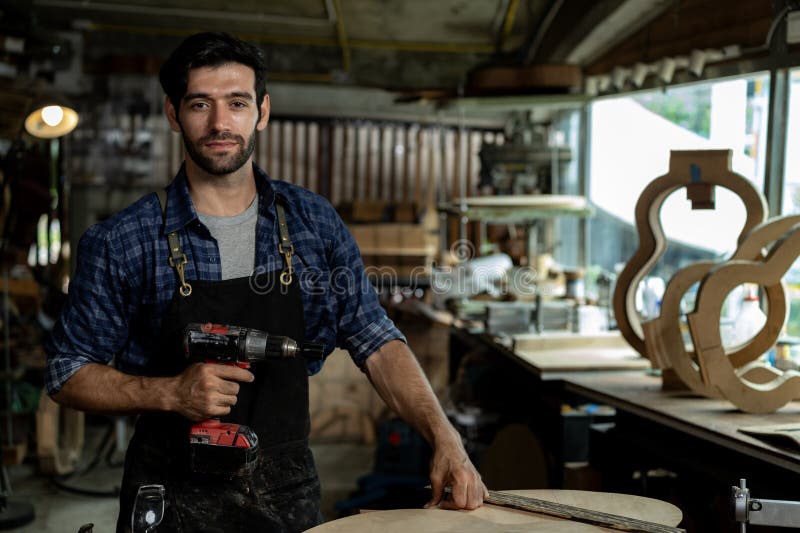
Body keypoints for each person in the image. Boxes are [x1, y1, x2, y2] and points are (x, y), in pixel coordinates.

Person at [45, 32, 487, 532]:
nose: (220, 124)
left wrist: (445, 437)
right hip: (170, 493)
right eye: (199, 104)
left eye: (237, 103)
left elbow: (376, 340)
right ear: (173, 113)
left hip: (284, 491)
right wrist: (170, 393)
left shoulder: (313, 223)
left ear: (262, 111)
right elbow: (67, 372)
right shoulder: (122, 241)